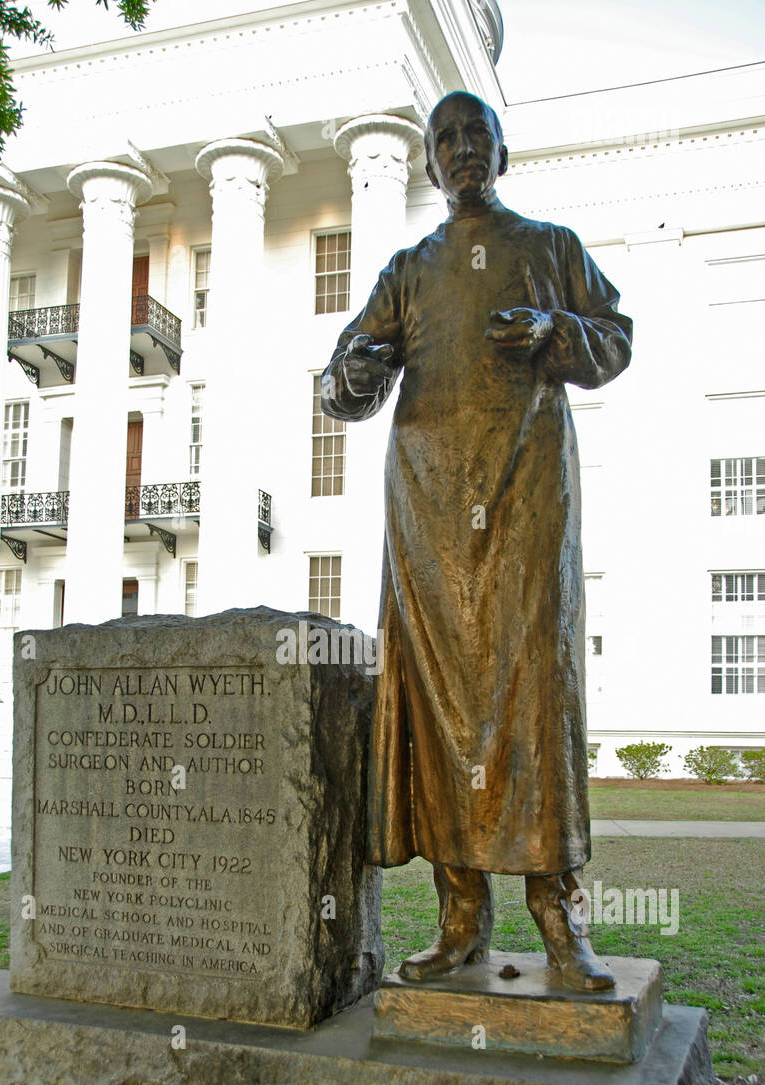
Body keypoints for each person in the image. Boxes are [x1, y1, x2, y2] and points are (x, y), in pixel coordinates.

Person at [320, 91, 633, 991]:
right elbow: (343, 378)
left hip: (527, 497)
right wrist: (356, 369)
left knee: (536, 691)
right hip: (427, 505)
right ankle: (461, 915)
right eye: (445, 138)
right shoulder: (407, 269)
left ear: (501, 153)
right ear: (429, 161)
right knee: (434, 698)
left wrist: (555, 333)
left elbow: (613, 339)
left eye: (475, 137)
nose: (461, 150)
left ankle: (560, 920)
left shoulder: (549, 248)